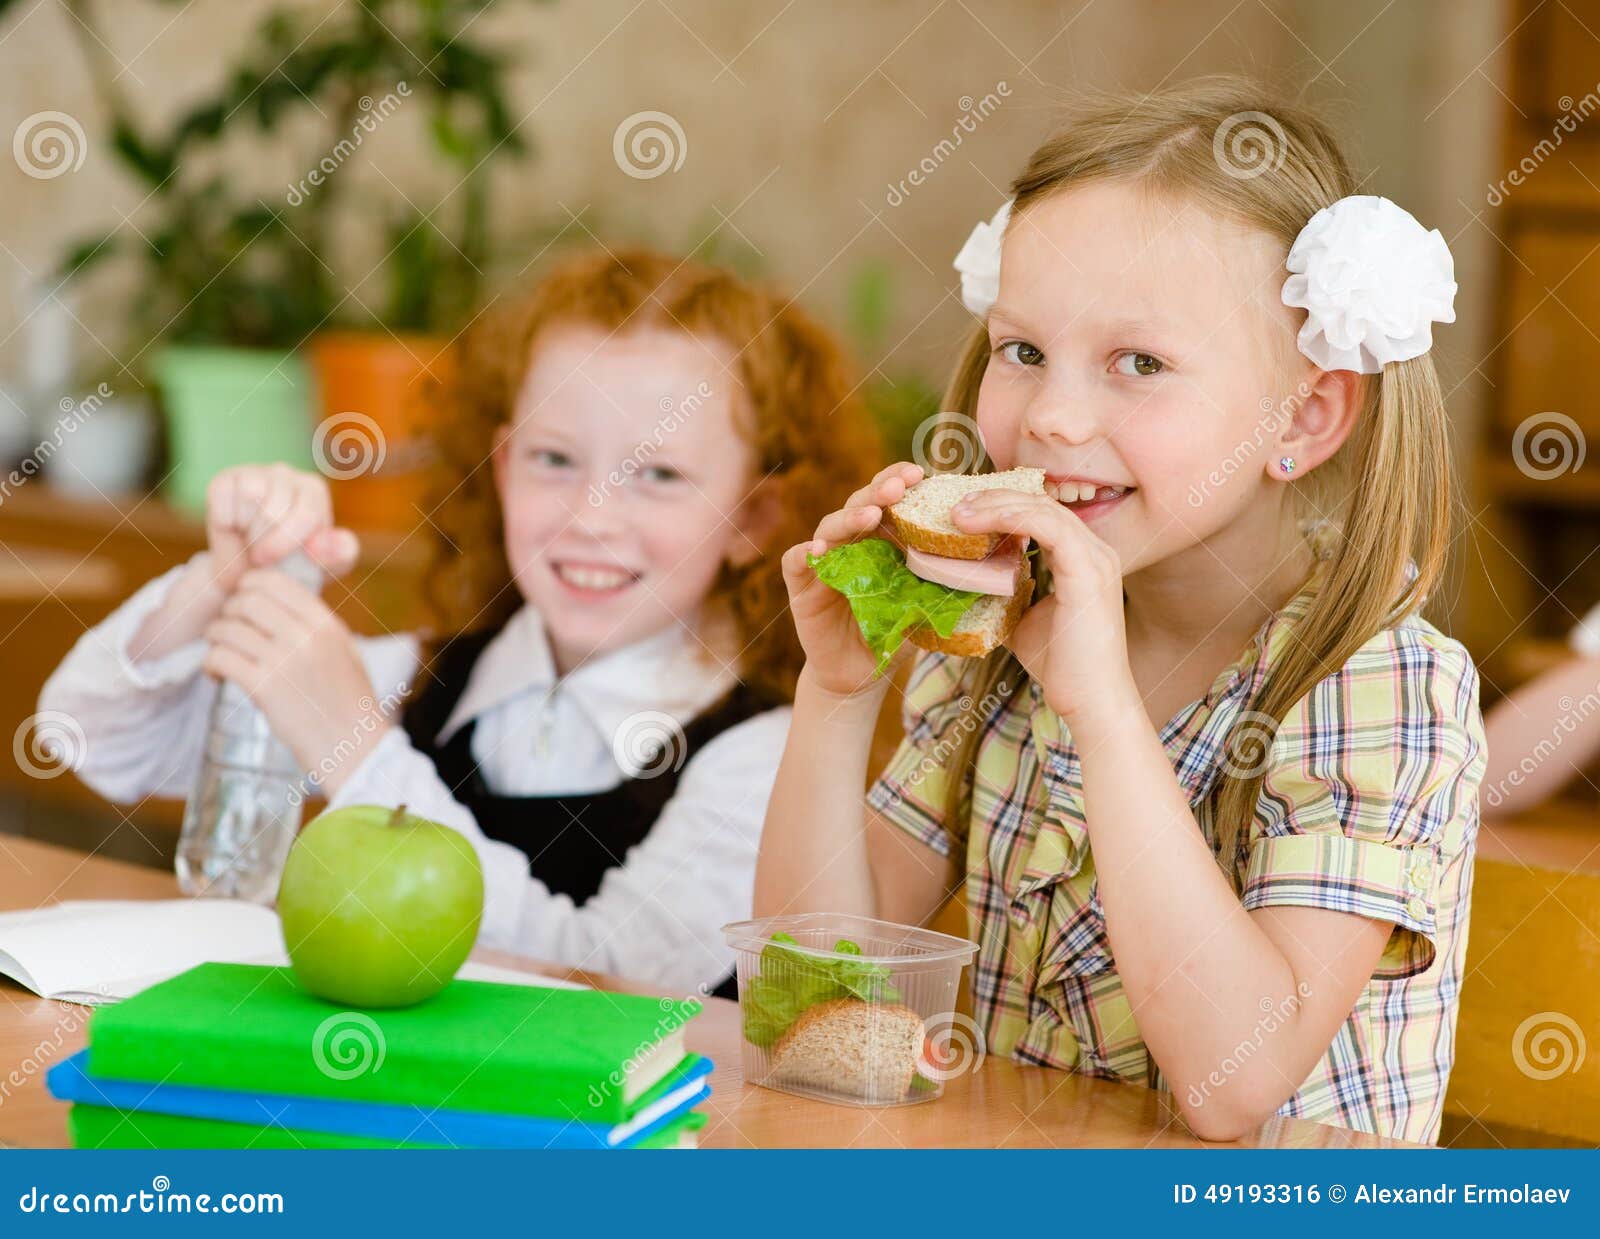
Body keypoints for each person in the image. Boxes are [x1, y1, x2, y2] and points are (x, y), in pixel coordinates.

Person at [756, 80, 1484, 1143]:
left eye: (1138, 364)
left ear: (1306, 414)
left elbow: (1232, 1087)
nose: (1052, 416)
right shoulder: (990, 642)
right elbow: (815, 990)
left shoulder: (1379, 686)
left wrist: (1100, 709)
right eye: (1023, 352)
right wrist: (834, 691)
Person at [41, 246, 879, 999]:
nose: (591, 515)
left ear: (755, 519)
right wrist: (221, 579)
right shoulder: (418, 675)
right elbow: (90, 739)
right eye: (555, 459)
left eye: (657, 474)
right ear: (505, 466)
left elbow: (617, 978)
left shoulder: (766, 755)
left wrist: (357, 751)